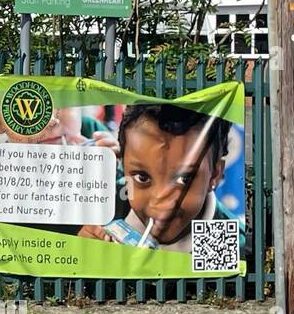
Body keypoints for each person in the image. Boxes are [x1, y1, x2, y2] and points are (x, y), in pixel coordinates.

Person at [78, 103, 241, 252]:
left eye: (184, 179)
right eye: (142, 177)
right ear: (124, 164)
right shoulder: (104, 210)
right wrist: (85, 256)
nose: (161, 201)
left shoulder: (227, 240)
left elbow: (214, 283)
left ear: (215, 174)